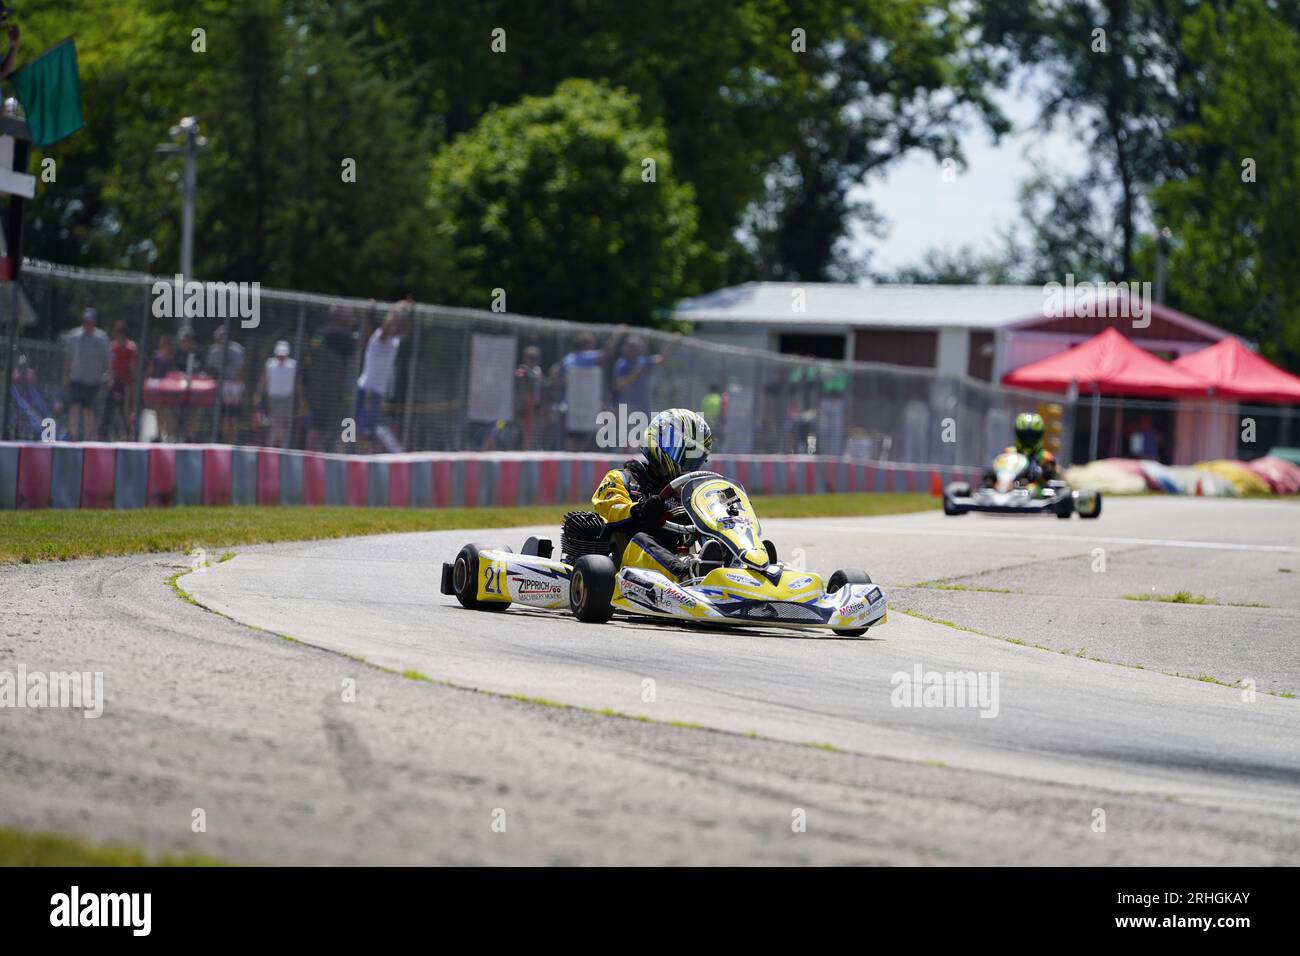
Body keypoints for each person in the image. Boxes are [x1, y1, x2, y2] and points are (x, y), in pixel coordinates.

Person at [590, 407, 713, 582]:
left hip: (676, 563)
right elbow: (610, 508)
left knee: (715, 539)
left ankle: (738, 570)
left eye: (693, 456)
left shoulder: (688, 494)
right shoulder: (623, 478)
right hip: (629, 568)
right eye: (683, 452)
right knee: (642, 539)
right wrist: (639, 511)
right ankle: (687, 575)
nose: (686, 462)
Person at [355, 312, 402, 452]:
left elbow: (405, 331)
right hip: (367, 388)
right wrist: (391, 317)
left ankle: (363, 453)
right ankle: (351, 451)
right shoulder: (377, 337)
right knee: (353, 424)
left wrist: (404, 312)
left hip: (376, 392)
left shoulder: (395, 342)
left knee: (367, 427)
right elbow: (385, 331)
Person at [63, 307, 110, 441]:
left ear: (94, 322)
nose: (87, 324)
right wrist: (65, 377)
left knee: (88, 409)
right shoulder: (74, 337)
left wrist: (109, 376)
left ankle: (88, 437)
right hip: (76, 378)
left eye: (90, 321)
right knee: (74, 406)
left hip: (93, 379)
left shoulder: (101, 338)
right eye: (85, 321)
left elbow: (107, 359)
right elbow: (68, 358)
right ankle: (72, 435)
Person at [989, 411, 1057, 484]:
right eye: (1024, 436)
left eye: (1032, 436)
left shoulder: (1046, 457)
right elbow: (998, 471)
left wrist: (1041, 472)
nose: (1028, 440)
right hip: (1011, 488)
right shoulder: (1008, 453)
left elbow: (1052, 477)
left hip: (1036, 489)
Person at [254, 340, 297, 448]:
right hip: (273, 397)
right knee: (276, 421)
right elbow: (264, 379)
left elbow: (297, 382)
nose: (281, 357)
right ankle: (273, 444)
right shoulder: (270, 363)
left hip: (287, 397)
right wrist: (258, 394)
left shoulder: (293, 365)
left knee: (284, 422)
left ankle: (281, 444)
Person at [103, 321, 138, 439]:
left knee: (125, 409)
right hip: (114, 381)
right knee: (108, 407)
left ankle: (128, 433)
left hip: (126, 382)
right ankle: (104, 433)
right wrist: (110, 378)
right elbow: (110, 365)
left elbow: (133, 366)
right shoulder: (112, 346)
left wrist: (131, 381)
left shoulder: (131, 347)